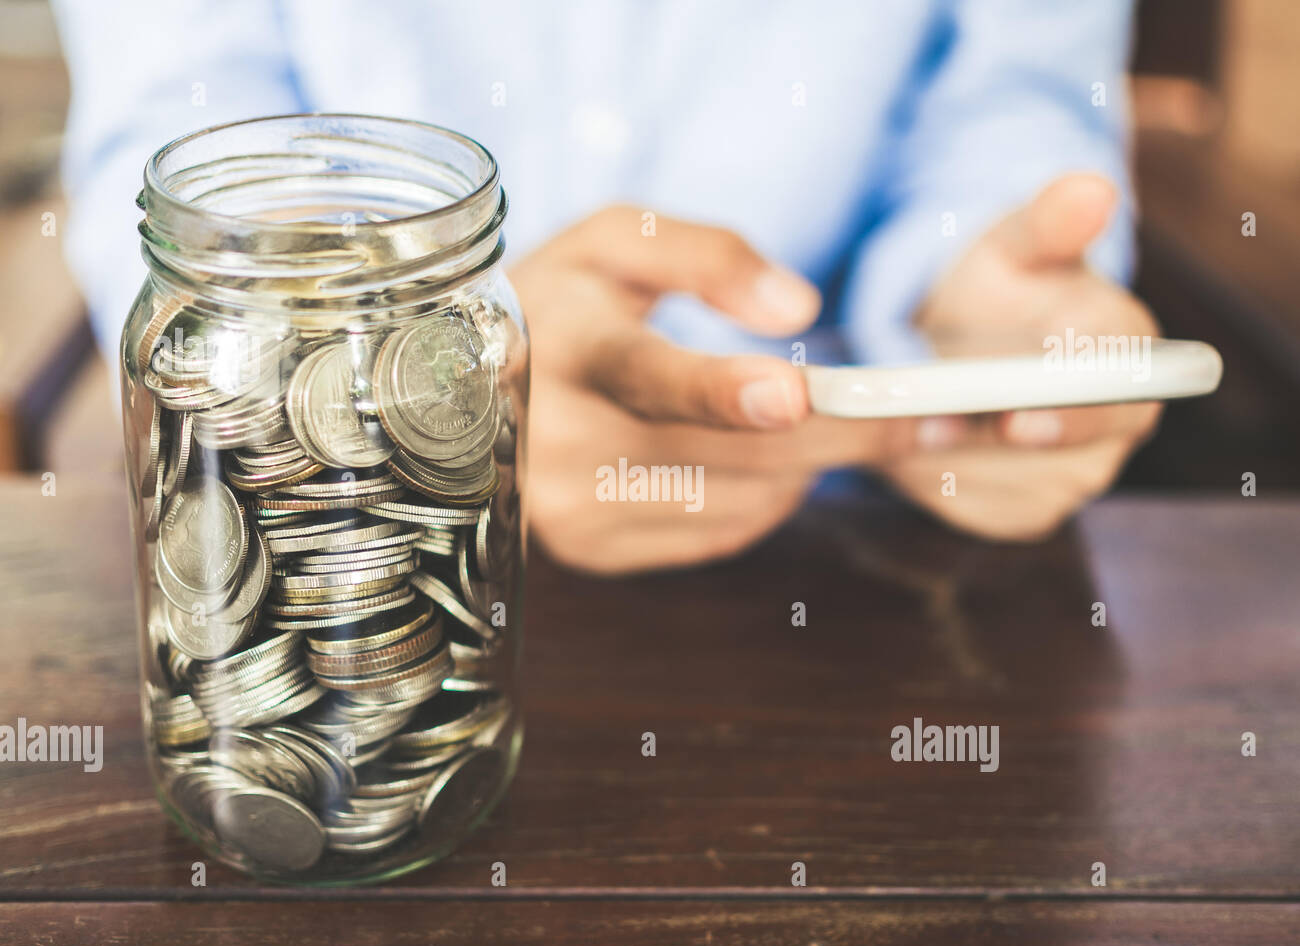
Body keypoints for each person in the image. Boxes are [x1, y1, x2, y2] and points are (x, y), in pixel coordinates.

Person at [51, 0, 1160, 573]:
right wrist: (417, 401)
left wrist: (979, 294)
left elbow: (1009, 101)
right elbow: (184, 143)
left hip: (874, 550)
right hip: (353, 536)